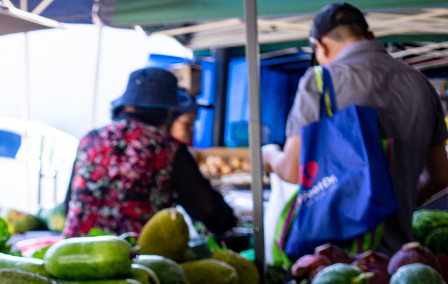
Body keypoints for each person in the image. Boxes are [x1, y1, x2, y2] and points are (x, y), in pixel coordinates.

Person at [262, 2, 448, 254]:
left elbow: (294, 170)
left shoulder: (319, 81)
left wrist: (270, 155)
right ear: (370, 35)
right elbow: (439, 176)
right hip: (399, 260)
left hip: (334, 259)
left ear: (320, 45)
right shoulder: (422, 84)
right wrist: (394, 203)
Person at [63, 67, 236, 238]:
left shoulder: (90, 139)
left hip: (73, 253)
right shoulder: (165, 147)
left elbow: (69, 206)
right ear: (167, 111)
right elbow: (209, 209)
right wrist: (229, 221)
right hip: (133, 258)